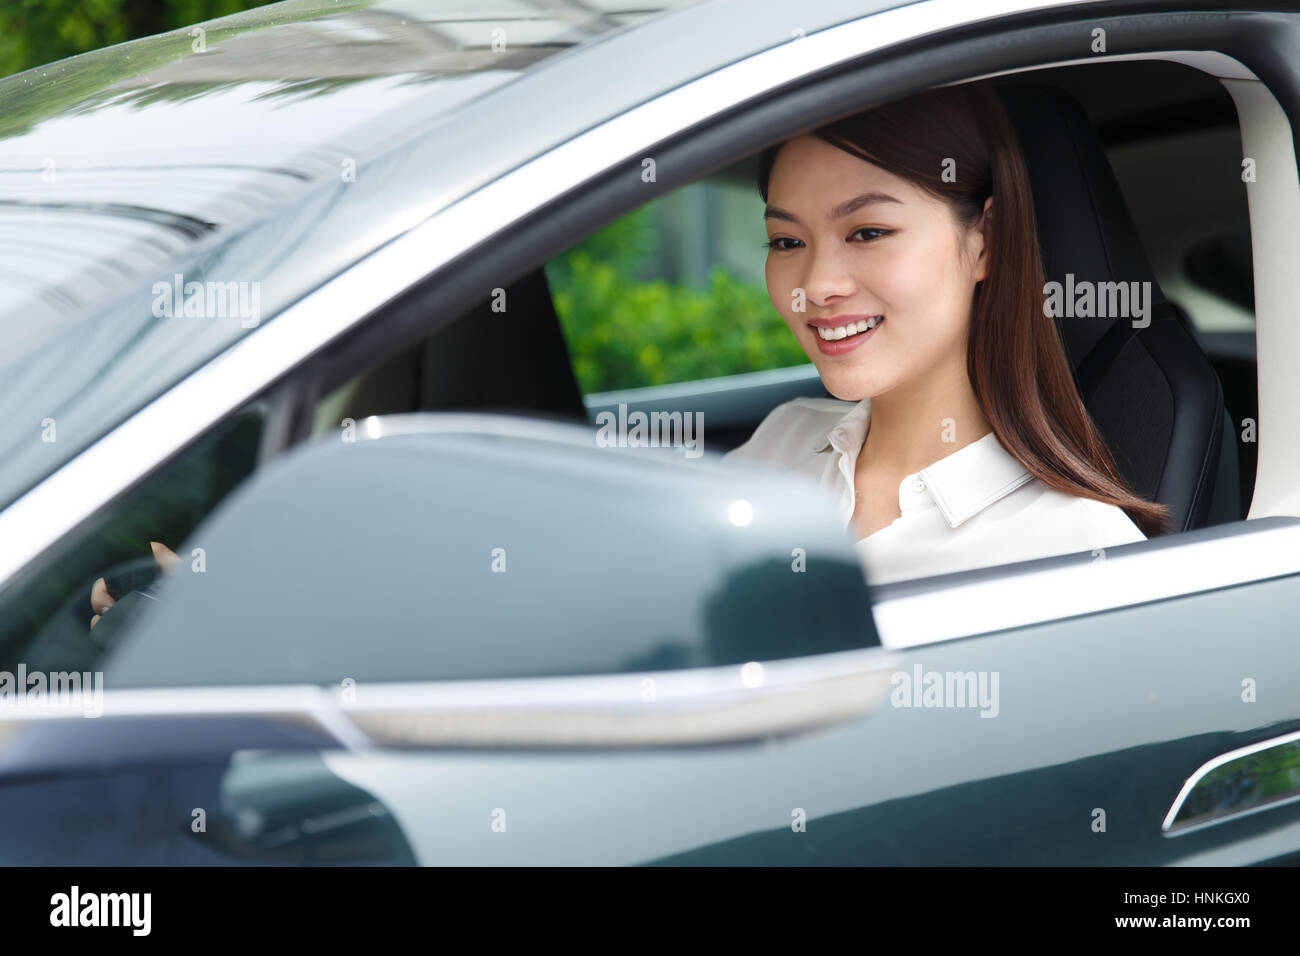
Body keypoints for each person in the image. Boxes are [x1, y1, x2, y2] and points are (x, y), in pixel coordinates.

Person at [725, 82, 1168, 585]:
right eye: (786, 241)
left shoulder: (1079, 549)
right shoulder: (781, 442)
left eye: (869, 233)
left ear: (986, 242)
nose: (818, 285)